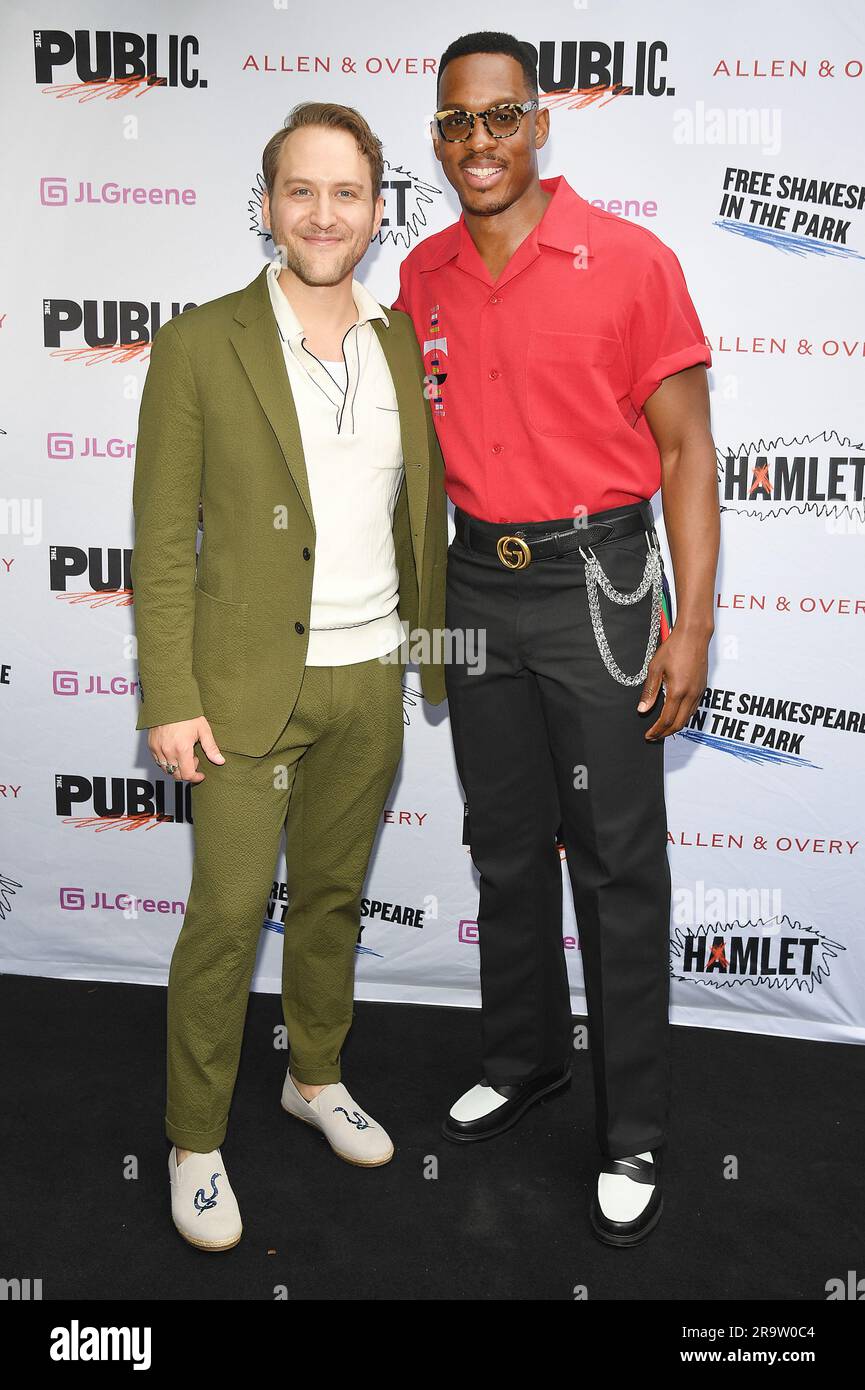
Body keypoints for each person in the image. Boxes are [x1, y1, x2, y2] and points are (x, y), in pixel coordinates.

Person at [393, 31, 719, 1246]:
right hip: (476, 583)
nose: (478, 140)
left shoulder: (631, 260)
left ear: (540, 123)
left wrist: (690, 621)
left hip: (604, 584)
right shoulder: (419, 276)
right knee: (503, 842)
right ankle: (523, 1057)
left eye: (500, 116)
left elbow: (686, 450)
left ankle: (632, 1122)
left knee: (618, 862)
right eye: (455, 123)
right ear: (438, 139)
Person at [131, 102, 447, 1251]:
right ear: (266, 207)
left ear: (376, 210)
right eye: (300, 190)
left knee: (330, 899)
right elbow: (163, 539)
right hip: (240, 692)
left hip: (370, 680)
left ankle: (312, 1073)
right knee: (222, 917)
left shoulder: (400, 341)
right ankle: (193, 1138)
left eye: (348, 193)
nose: (324, 213)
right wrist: (169, 691)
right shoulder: (200, 342)